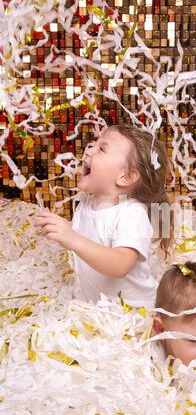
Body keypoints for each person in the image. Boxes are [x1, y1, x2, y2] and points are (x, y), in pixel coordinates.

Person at [33, 124, 173, 308]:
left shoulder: (132, 213)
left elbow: (120, 264)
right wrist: (59, 230)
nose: (89, 150)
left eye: (102, 149)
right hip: (95, 312)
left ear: (125, 177)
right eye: (94, 144)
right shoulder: (85, 204)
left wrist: (72, 239)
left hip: (132, 314)